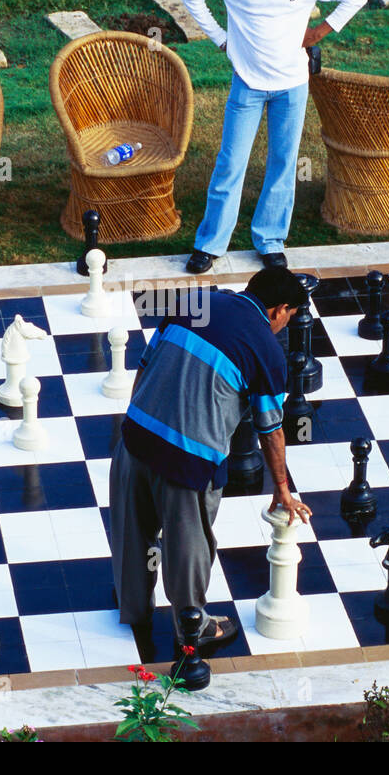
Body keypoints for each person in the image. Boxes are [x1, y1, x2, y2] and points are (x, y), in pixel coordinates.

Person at [109, 266, 312, 650]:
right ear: (278, 310)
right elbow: (271, 431)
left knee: (132, 530)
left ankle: (133, 606)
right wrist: (282, 489)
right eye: (291, 317)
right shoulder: (266, 350)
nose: (287, 326)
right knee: (189, 547)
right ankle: (193, 626)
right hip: (189, 462)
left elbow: (145, 366)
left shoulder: (194, 303)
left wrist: (136, 421)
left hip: (134, 438)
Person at [179, 0, 367, 275]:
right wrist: (220, 38)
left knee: (283, 164)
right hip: (247, 84)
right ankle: (210, 244)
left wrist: (318, 32)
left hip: (292, 86)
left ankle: (270, 241)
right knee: (230, 163)